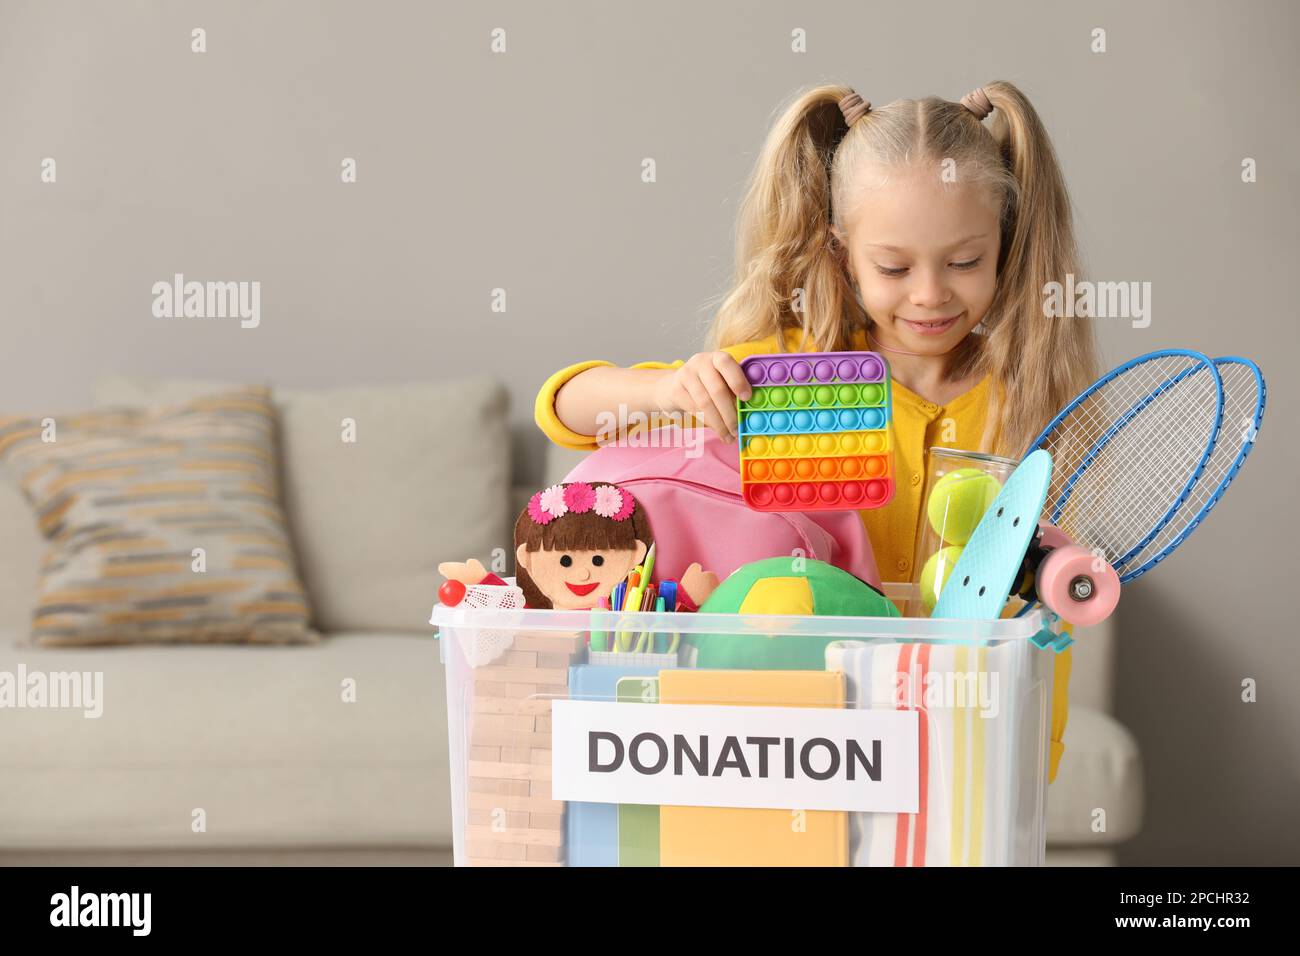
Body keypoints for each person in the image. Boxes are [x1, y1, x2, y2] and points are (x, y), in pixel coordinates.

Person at [533, 82, 1099, 782]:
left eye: (964, 262)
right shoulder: (792, 375)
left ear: (1005, 243)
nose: (930, 293)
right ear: (841, 252)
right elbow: (568, 408)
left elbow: (1043, 598)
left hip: (963, 740)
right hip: (806, 741)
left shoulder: (1031, 398)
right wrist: (666, 390)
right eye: (893, 267)